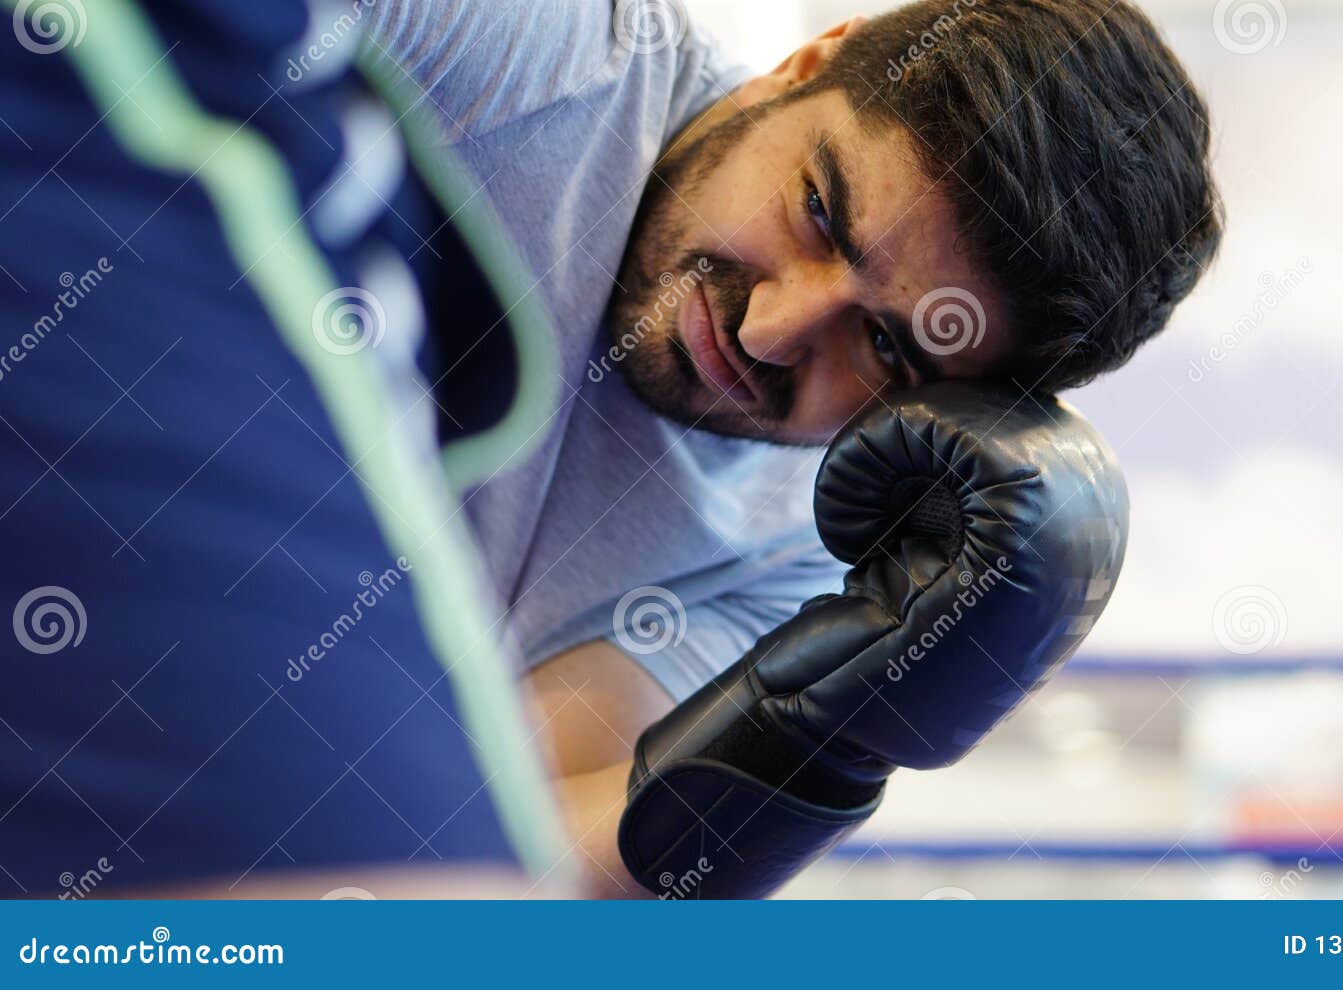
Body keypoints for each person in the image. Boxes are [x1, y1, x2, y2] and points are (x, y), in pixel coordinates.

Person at [0, 0, 1217, 898]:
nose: (774, 325)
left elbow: (466, 840)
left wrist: (811, 749)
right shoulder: (525, 55)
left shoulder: (805, 544)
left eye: (888, 351)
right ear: (808, 63)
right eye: (820, 214)